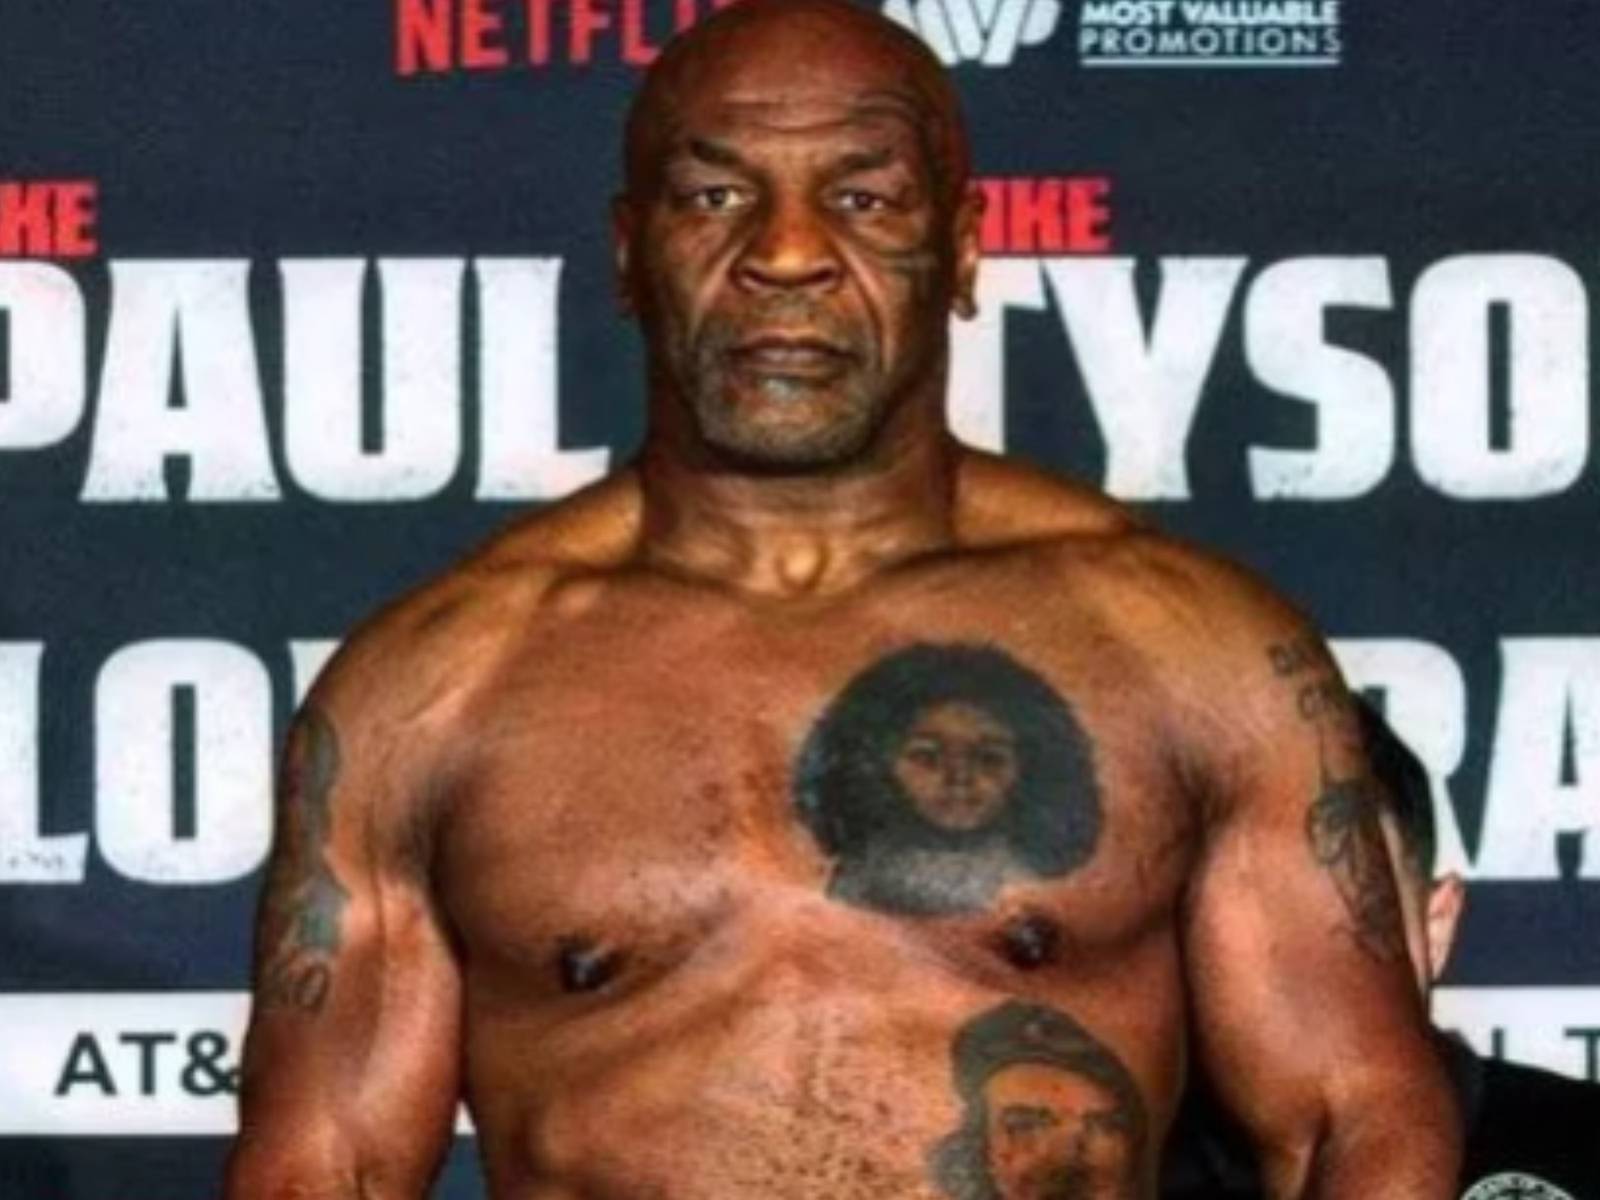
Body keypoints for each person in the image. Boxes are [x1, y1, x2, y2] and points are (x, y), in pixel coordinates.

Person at [222, 2, 1459, 1196]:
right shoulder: (433, 690)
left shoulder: (1186, 648)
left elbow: (1352, 1114)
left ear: (962, 250)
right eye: (714, 198)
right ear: (627, 252)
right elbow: (326, 1167)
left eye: (863, 199)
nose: (786, 254)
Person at [1162, 700, 1600, 1199]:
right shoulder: (1120, 1172)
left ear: (1436, 926)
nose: (1303, 964)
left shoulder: (1585, 1145)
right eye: (1253, 913)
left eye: (1352, 909)